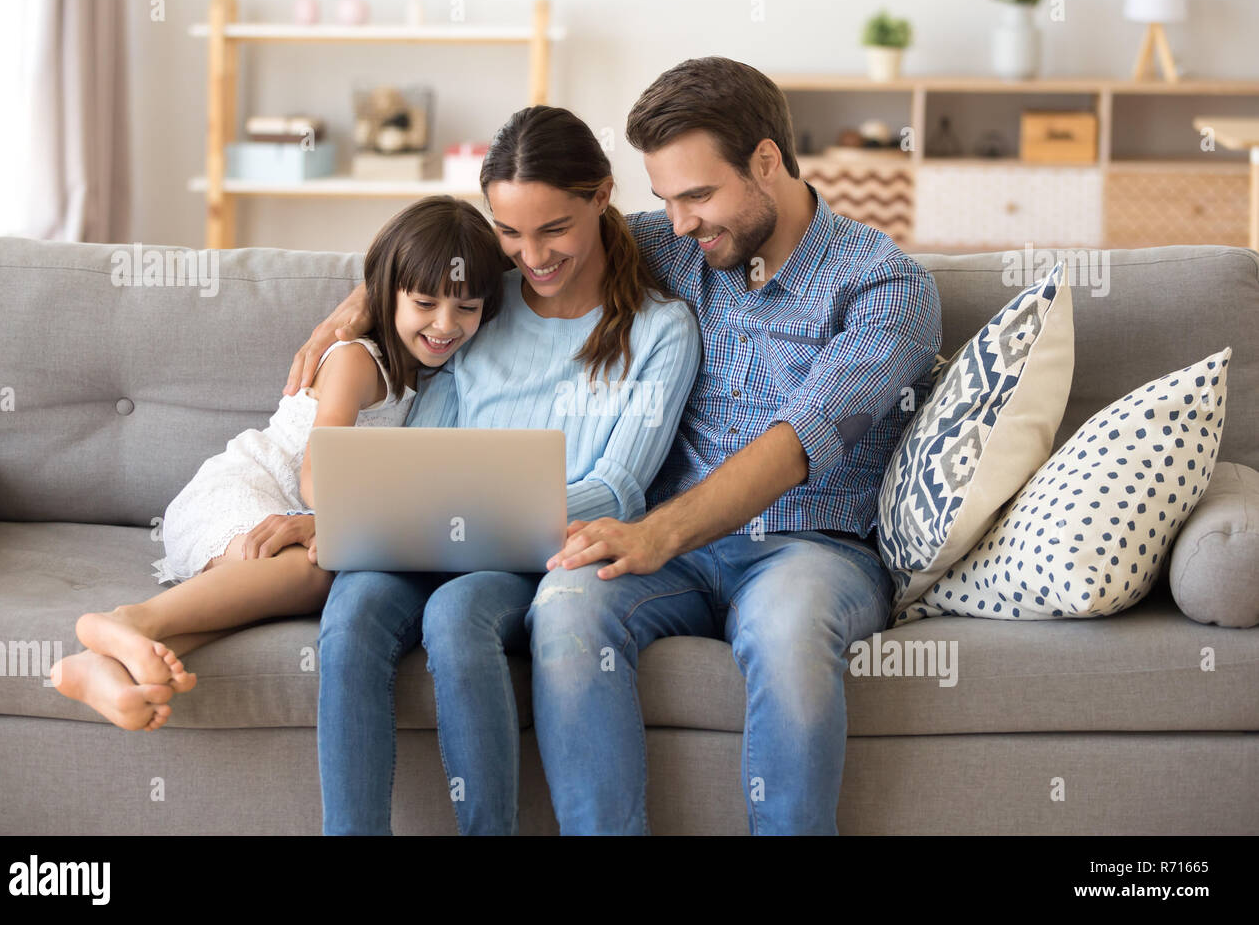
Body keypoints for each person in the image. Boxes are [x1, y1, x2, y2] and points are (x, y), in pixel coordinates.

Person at [289, 57, 942, 836]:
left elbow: (797, 444)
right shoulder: (678, 242)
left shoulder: (885, 286)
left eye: (697, 194)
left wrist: (654, 531)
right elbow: (506, 240)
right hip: (663, 552)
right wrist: (354, 308)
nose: (680, 221)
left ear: (766, 161)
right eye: (664, 199)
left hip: (806, 546)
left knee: (791, 634)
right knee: (565, 608)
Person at [307, 105, 701, 835]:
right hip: (429, 531)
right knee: (353, 608)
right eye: (510, 232)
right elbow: (424, 438)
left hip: (537, 552)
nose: (533, 255)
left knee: (457, 617)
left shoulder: (659, 329)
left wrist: (485, 510)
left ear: (602, 195)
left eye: (553, 229)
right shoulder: (480, 303)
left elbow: (619, 488)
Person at [51, 196, 507, 732]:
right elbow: (319, 470)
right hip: (245, 488)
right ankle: (128, 619)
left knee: (294, 587)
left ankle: (101, 664)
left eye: (467, 308)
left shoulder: (430, 371)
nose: (445, 325)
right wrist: (339, 524)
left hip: (296, 511)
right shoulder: (359, 360)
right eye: (425, 304)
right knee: (317, 573)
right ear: (386, 297)